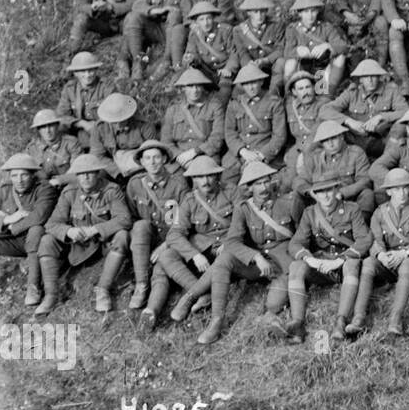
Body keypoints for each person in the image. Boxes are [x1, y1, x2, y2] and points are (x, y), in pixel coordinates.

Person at [205, 160, 300, 345]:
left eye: (266, 181)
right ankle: (216, 319)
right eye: (257, 184)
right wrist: (255, 257)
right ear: (249, 188)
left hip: (282, 263)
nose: (264, 187)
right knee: (225, 259)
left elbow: (301, 234)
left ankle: (270, 317)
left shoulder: (290, 202)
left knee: (273, 305)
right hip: (256, 263)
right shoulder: (244, 208)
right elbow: (232, 241)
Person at [141, 154, 235, 330]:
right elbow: (174, 234)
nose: (205, 181)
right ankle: (203, 294)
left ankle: (191, 296)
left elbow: (243, 223)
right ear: (193, 179)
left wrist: (230, 242)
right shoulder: (190, 200)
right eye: (199, 177)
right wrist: (195, 255)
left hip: (229, 248)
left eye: (210, 175)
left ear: (217, 176)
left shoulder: (232, 192)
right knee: (166, 256)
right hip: (204, 247)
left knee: (228, 255)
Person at [40, 153, 133, 316]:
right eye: (81, 173)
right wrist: (69, 231)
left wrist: (96, 230)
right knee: (47, 241)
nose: (86, 177)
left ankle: (103, 290)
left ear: (98, 173)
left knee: (122, 236)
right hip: (78, 246)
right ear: (76, 175)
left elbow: (124, 219)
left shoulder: (111, 190)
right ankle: (51, 296)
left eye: (90, 172)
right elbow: (51, 224)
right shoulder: (69, 192)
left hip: (103, 244)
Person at [286, 174, 372, 344]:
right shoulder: (310, 213)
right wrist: (310, 259)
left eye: (328, 190)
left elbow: (364, 239)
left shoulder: (351, 209)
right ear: (314, 195)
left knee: (352, 263)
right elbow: (295, 243)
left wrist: (340, 260)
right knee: (296, 266)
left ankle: (341, 321)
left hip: (342, 265)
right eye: (320, 192)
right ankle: (298, 324)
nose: (325, 195)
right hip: (321, 264)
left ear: (336, 190)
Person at [354, 168, 409, 339]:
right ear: (388, 191)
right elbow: (374, 240)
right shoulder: (380, 212)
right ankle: (358, 317)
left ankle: (395, 320)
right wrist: (381, 255)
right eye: (396, 189)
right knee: (368, 263)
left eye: (405, 188)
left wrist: (404, 253)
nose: (402, 193)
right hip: (388, 261)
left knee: (407, 265)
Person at [0, 154, 58, 310]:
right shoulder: (5, 190)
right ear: (10, 176)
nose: (19, 180)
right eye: (14, 175)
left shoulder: (44, 188)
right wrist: (7, 220)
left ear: (32, 175)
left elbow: (39, 216)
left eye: (24, 175)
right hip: (16, 243)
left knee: (36, 230)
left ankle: (33, 286)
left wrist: (13, 227)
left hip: (38, 243)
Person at [124, 140, 188, 315]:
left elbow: (184, 221)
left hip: (172, 240)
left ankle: (151, 311)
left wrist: (165, 245)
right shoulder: (134, 184)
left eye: (156, 157)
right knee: (140, 226)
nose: (152, 162)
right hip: (146, 240)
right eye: (147, 158)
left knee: (161, 269)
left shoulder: (179, 184)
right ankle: (141, 284)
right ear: (142, 162)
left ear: (165, 159)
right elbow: (132, 217)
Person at [319, 58, 409, 161]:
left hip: (382, 141)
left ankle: (385, 163)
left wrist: (381, 117)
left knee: (400, 126)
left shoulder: (391, 91)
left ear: (379, 77)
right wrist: (349, 121)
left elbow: (406, 111)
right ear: (360, 79)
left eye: (373, 76)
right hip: (356, 141)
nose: (370, 80)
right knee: (325, 123)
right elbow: (324, 110)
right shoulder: (352, 92)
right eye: (366, 77)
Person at [222, 63, 287, 188]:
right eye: (246, 83)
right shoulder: (235, 104)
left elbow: (279, 136)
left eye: (254, 82)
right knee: (227, 182)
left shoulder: (274, 102)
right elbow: (229, 132)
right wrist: (242, 151)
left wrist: (261, 156)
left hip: (264, 153)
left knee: (264, 185)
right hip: (239, 155)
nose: (250, 87)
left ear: (261, 81)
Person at [124, 0, 184, 79]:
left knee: (175, 14)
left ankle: (167, 60)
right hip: (156, 29)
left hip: (174, 31)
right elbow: (137, 5)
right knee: (133, 17)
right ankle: (138, 62)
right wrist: (156, 10)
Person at [295, 121, 374, 216]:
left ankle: (359, 226)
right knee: (295, 197)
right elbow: (299, 180)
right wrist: (311, 192)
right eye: (326, 140)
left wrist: (342, 193)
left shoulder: (356, 153)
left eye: (333, 138)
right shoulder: (316, 157)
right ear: (321, 143)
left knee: (367, 195)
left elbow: (365, 181)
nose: (330, 143)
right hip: (323, 202)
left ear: (341, 136)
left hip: (348, 201)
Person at [282, 0, 348, 96]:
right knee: (290, 64)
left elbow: (343, 46)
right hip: (302, 72)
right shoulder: (292, 29)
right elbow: (287, 52)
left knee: (340, 58)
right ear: (299, 13)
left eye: (313, 11)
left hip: (321, 72)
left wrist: (328, 46)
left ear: (317, 11)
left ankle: (328, 94)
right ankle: (290, 96)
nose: (310, 15)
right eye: (306, 12)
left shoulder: (326, 27)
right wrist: (297, 51)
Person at [161, 67, 227, 172]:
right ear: (183, 88)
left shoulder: (214, 106)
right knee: (175, 183)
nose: (195, 90)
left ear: (203, 87)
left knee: (202, 178)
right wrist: (180, 156)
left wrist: (195, 152)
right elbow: (166, 140)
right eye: (190, 86)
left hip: (205, 155)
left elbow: (217, 138)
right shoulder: (173, 109)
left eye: (198, 85)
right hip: (179, 158)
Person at [89, 93, 155, 182]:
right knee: (99, 177)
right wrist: (117, 173)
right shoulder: (99, 128)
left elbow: (152, 151)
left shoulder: (144, 125)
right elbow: (98, 156)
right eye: (114, 122)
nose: (118, 125)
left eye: (122, 121)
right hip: (112, 166)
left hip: (139, 165)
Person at [56, 51, 112, 150]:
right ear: (75, 73)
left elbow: (114, 113)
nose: (87, 75)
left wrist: (96, 126)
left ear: (96, 70)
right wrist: (82, 124)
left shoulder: (106, 87)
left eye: (91, 70)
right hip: (79, 131)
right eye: (83, 71)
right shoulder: (70, 89)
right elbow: (61, 115)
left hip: (103, 131)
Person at [230, 0, 286, 91]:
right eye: (255, 12)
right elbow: (242, 53)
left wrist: (266, 60)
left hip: (272, 66)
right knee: (238, 90)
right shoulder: (239, 30)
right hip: (252, 66)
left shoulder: (276, 26)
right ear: (248, 12)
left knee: (281, 62)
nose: (259, 16)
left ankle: (273, 96)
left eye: (262, 12)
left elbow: (281, 49)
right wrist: (250, 64)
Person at [182, 0, 239, 96]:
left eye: (208, 18)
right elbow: (192, 53)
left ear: (214, 18)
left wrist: (229, 69)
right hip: (208, 72)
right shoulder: (195, 35)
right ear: (196, 21)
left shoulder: (225, 31)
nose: (206, 23)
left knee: (225, 85)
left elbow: (234, 53)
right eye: (201, 19)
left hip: (226, 72)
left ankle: (220, 108)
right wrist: (190, 59)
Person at [27, 108, 83, 188]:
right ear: (38, 130)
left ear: (57, 125)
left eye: (51, 125)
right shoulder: (32, 148)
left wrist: (59, 180)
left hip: (68, 186)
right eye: (43, 127)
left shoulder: (71, 143)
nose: (48, 131)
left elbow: (78, 170)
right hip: (43, 189)